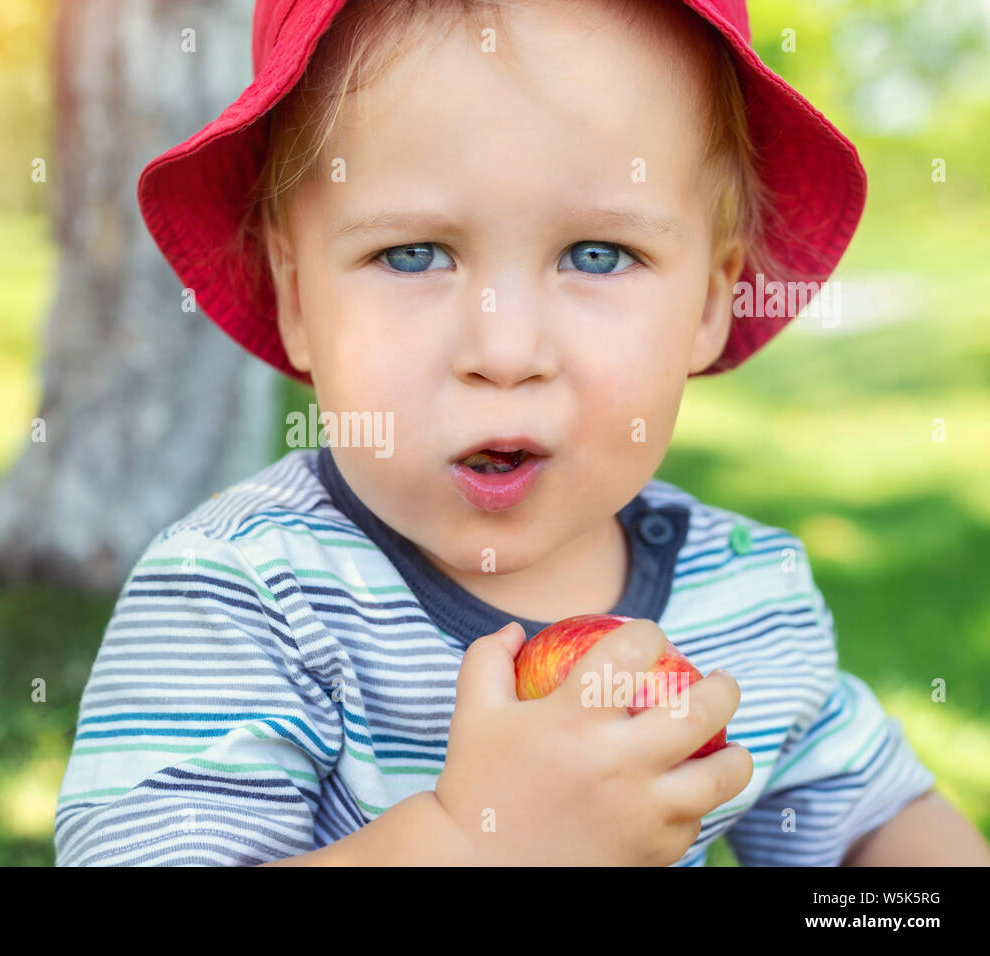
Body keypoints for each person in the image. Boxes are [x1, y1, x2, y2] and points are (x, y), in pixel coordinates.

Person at [54, 0, 990, 866]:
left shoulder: (748, 600)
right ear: (297, 295)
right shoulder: (246, 599)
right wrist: (475, 843)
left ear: (711, 298)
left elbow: (878, 833)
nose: (505, 350)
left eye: (598, 254)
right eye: (412, 254)